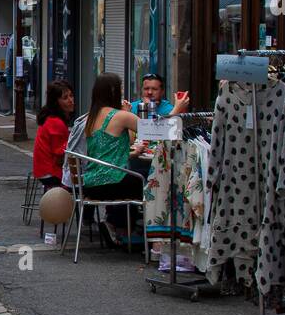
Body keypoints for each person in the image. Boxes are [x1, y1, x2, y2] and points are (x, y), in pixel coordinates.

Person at [83, 73, 189, 246]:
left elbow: (115, 147)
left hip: (90, 182)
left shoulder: (92, 115)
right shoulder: (120, 116)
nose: (122, 94)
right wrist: (177, 109)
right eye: (120, 90)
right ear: (112, 92)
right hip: (111, 182)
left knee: (139, 173)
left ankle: (123, 226)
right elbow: (158, 131)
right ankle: (155, 235)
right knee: (153, 181)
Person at [33, 82, 75, 191]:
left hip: (42, 169)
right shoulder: (56, 123)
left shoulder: (50, 118)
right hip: (51, 171)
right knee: (86, 185)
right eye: (65, 98)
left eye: (71, 95)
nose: (71, 100)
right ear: (56, 102)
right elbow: (60, 155)